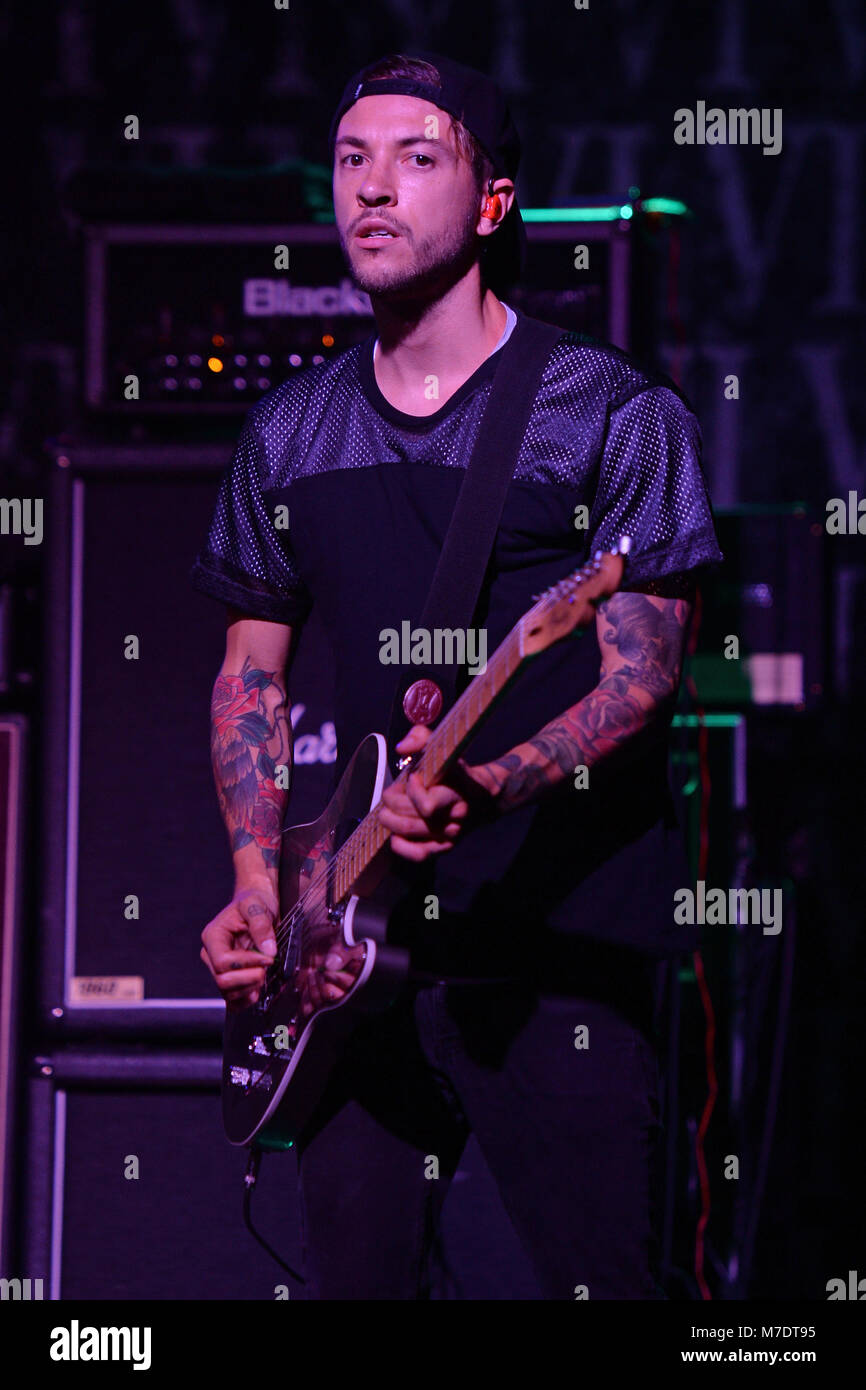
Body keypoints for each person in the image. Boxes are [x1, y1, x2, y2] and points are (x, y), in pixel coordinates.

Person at [191, 51, 723, 1300]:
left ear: (491, 201)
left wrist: (486, 782)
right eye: (350, 159)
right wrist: (259, 888)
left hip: (555, 958)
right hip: (346, 965)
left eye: (416, 158)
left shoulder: (606, 414)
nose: (372, 189)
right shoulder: (289, 427)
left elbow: (639, 676)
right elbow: (248, 673)